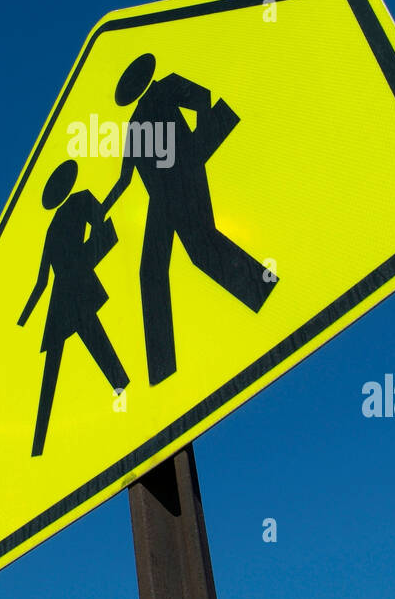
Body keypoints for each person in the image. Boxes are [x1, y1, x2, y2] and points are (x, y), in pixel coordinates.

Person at [102, 54, 277, 385]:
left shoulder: (166, 87)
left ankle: (264, 291)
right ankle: (162, 373)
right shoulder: (133, 127)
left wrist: (194, 152)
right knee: (150, 271)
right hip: (161, 198)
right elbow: (125, 178)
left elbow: (202, 99)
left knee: (201, 248)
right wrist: (102, 211)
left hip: (183, 177)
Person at [19, 160, 129, 456]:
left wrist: (24, 319)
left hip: (67, 289)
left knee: (88, 343)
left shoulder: (68, 212)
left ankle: (39, 443)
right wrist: (21, 321)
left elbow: (42, 282)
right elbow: (42, 281)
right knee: (80, 347)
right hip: (69, 288)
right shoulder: (72, 208)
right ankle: (39, 445)